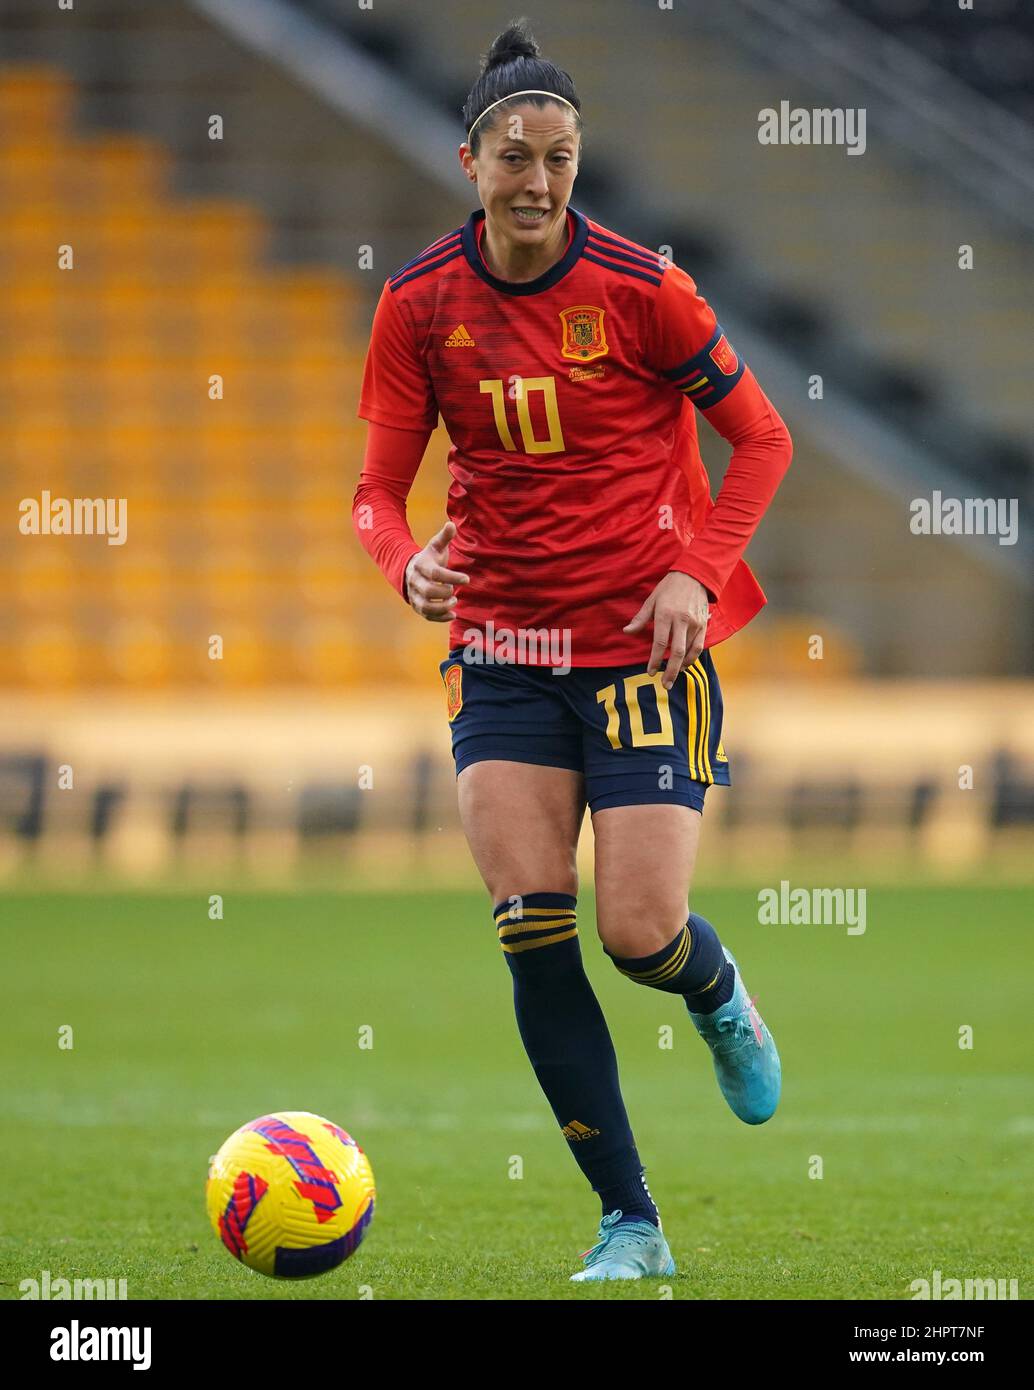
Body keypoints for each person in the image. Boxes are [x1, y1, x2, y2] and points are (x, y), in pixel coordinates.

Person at [353, 18, 793, 1282]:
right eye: (512, 155)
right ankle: (630, 1222)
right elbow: (375, 495)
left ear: (577, 160)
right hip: (499, 648)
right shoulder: (419, 305)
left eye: (558, 155)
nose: (536, 179)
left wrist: (693, 574)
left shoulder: (644, 290)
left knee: (637, 929)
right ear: (469, 162)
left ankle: (710, 992)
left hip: (636, 652)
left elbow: (759, 439)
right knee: (529, 925)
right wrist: (406, 564)